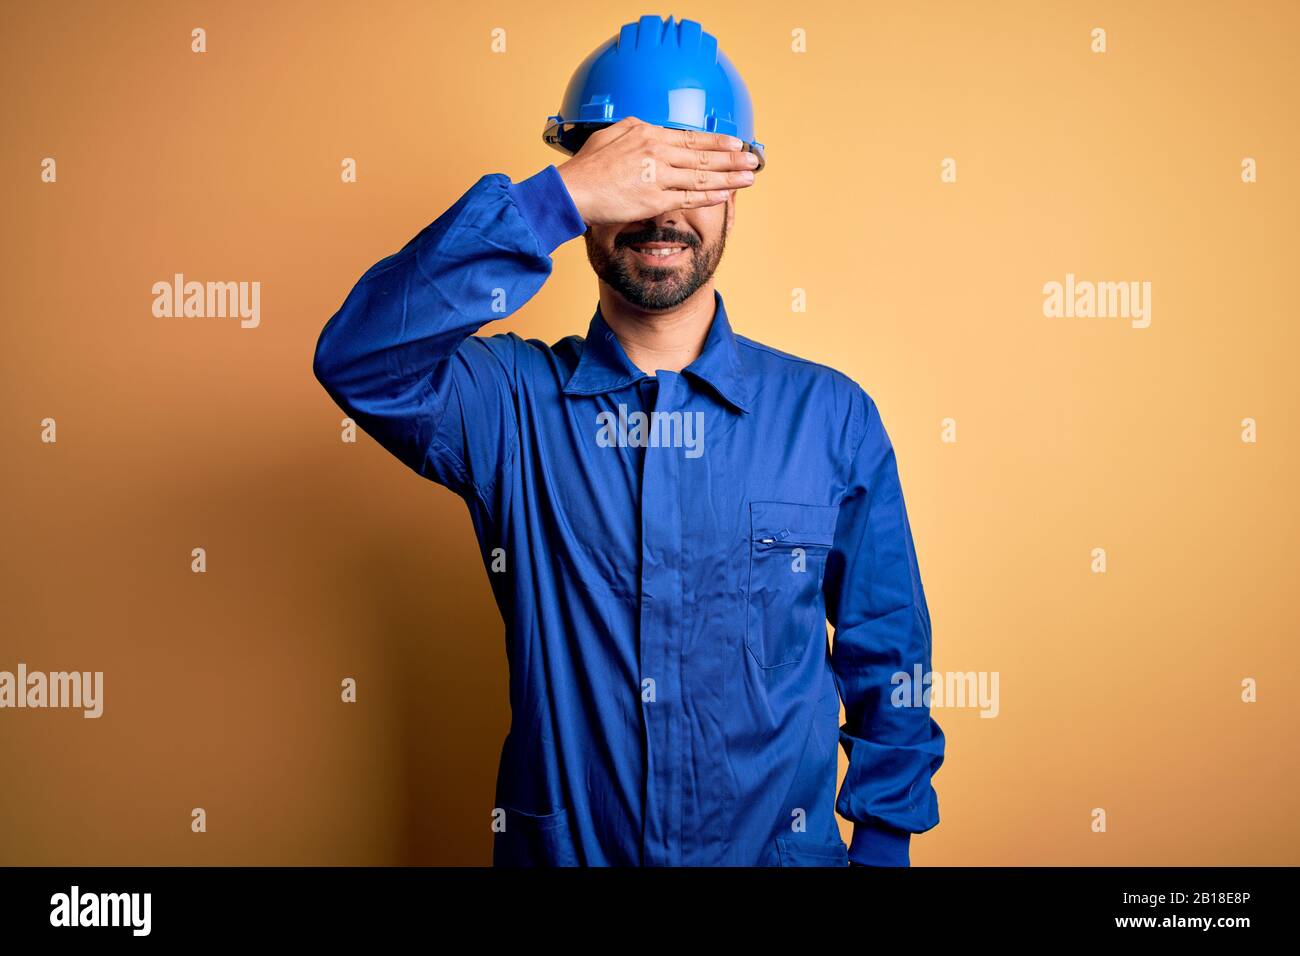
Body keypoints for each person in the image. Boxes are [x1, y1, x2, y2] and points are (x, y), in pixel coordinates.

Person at [312, 15, 944, 867]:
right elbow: (360, 358)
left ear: (738, 181)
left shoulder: (830, 418)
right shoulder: (509, 407)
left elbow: (888, 650)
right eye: (638, 174)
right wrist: (553, 201)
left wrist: (883, 848)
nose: (662, 211)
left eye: (694, 171)